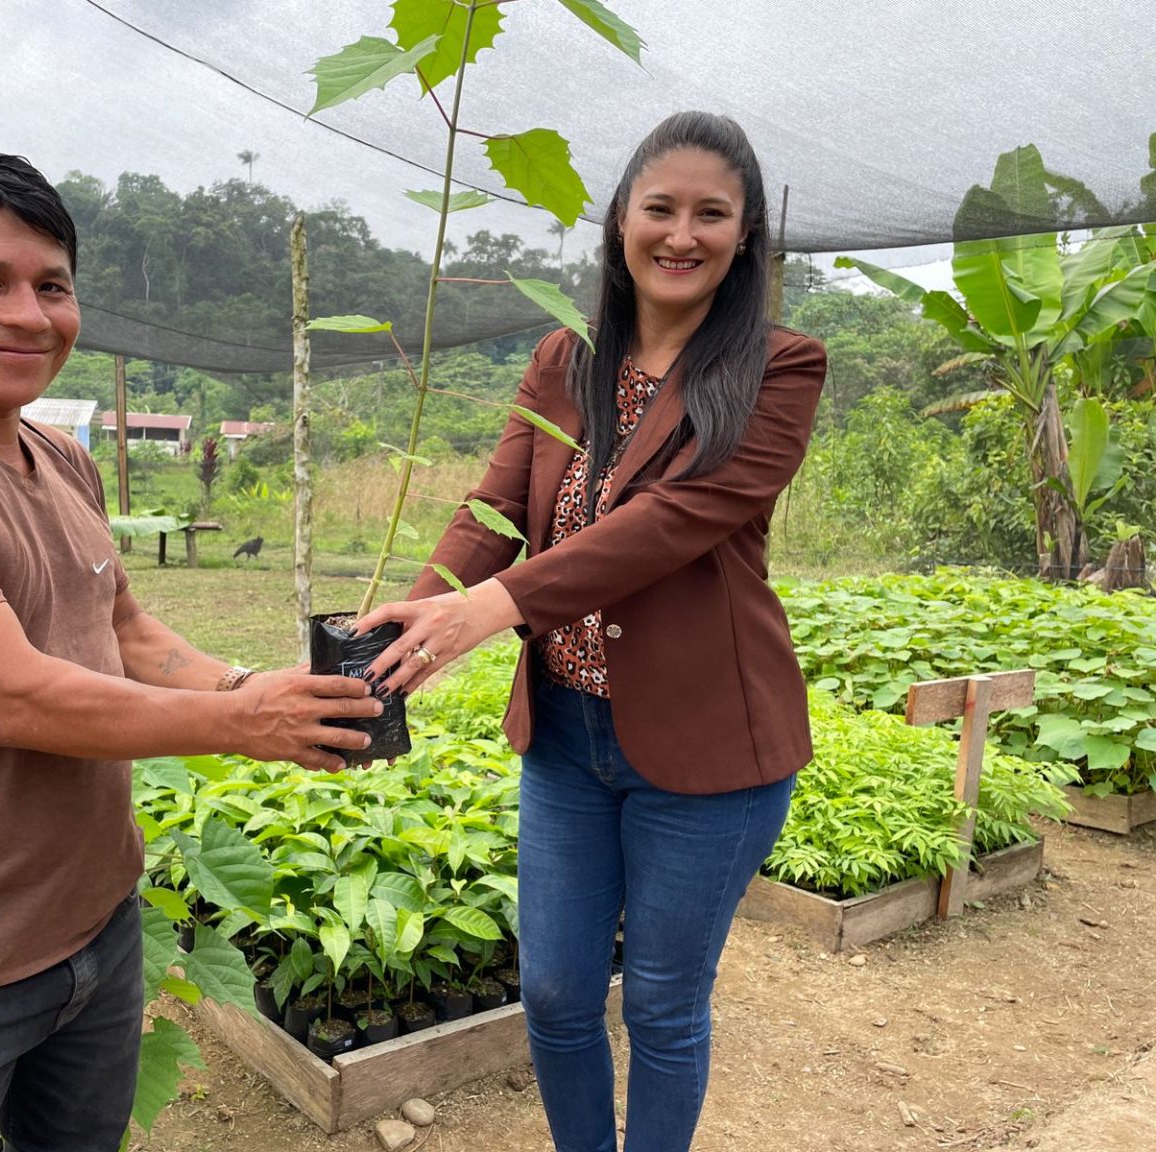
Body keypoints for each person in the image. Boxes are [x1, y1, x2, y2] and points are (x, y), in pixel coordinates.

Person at [0, 149, 382, 1152]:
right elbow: (12, 698)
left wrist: (247, 684)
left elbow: (126, 631)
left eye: (51, 286)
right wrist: (241, 723)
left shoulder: (57, 456)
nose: (27, 314)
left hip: (99, 929)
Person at [356, 112, 827, 1152]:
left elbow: (674, 524)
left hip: (708, 750)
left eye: (713, 214)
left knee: (661, 1005)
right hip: (567, 740)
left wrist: (490, 610)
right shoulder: (565, 358)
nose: (682, 233)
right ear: (621, 219)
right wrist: (409, 617)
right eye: (660, 207)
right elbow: (492, 510)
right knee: (558, 996)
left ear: (744, 237)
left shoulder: (780, 367)